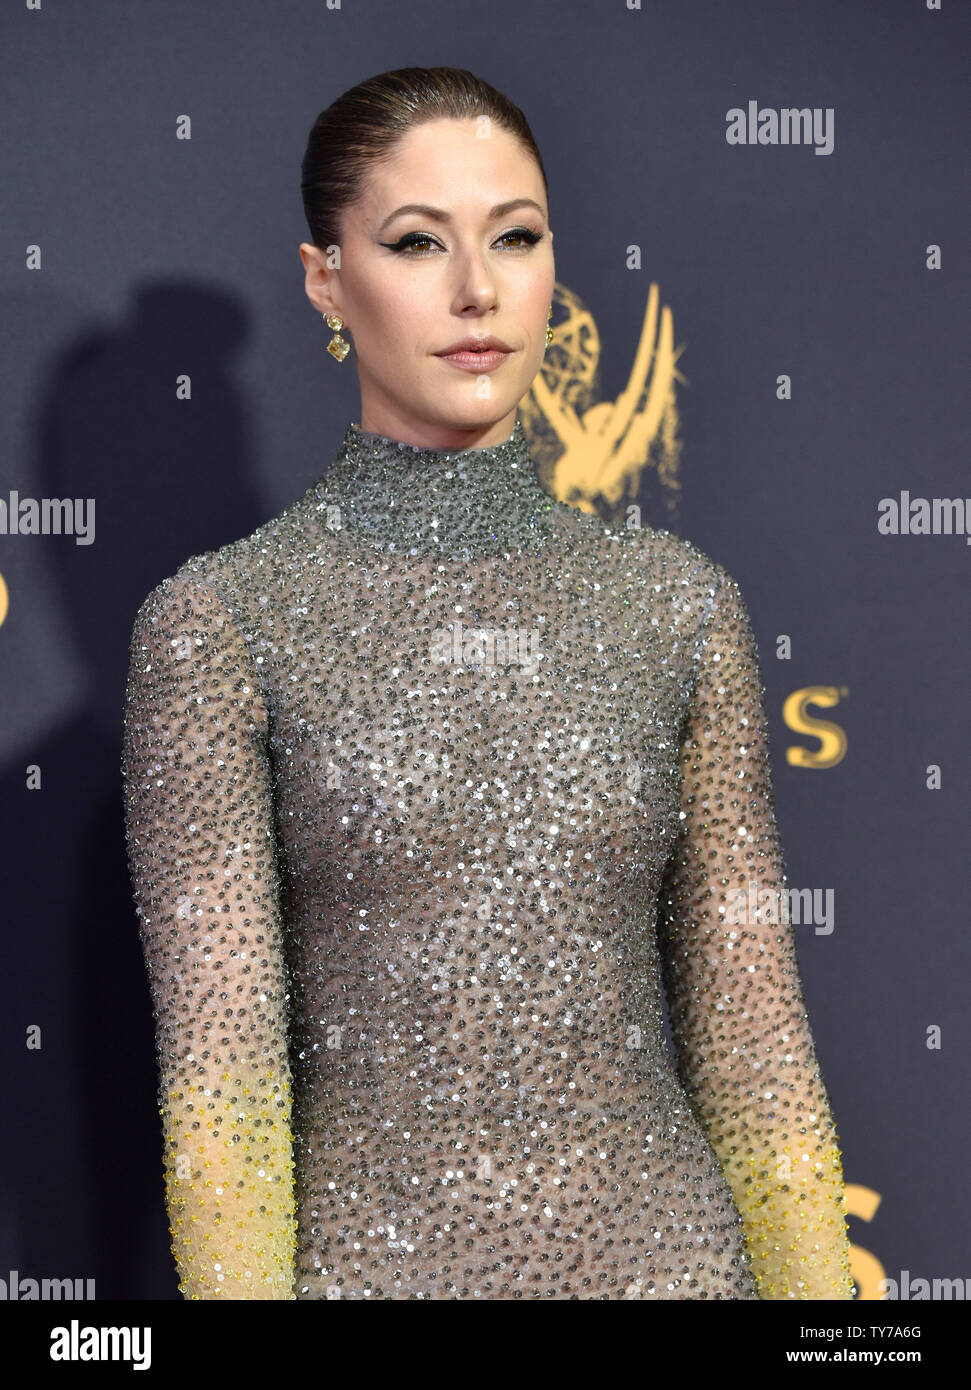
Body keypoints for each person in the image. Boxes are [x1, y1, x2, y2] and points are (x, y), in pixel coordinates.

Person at [122, 66, 854, 1300]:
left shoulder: (674, 606)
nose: (477, 291)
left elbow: (754, 1049)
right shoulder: (222, 624)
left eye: (514, 238)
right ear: (325, 281)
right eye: (415, 244)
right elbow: (223, 1094)